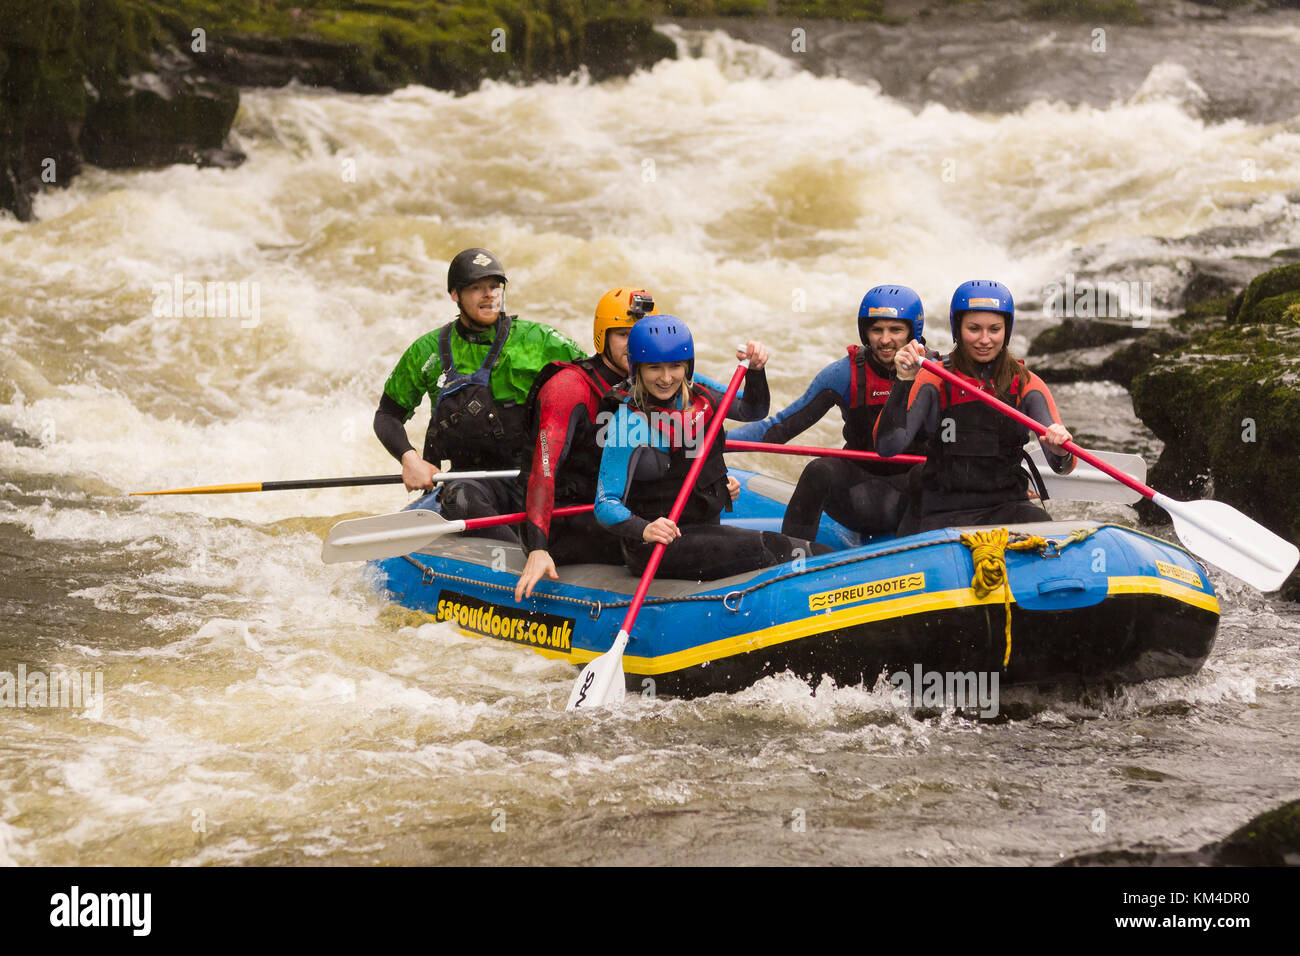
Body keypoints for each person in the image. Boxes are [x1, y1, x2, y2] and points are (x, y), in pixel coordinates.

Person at [372, 247, 585, 540]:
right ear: (455, 295)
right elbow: (387, 415)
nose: (489, 295)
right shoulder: (428, 350)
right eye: (476, 288)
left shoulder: (540, 340)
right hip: (470, 482)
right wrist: (409, 459)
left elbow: (595, 383)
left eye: (494, 287)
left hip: (535, 474)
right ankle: (522, 560)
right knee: (462, 500)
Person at [595, 316, 829, 580]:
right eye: (654, 367)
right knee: (783, 550)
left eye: (675, 366)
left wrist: (755, 372)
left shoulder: (699, 394)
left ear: (687, 366)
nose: (666, 377)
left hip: (701, 527)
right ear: (636, 368)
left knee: (787, 547)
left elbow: (753, 410)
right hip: (657, 547)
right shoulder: (627, 423)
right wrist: (645, 529)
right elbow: (605, 504)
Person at [729, 285, 934, 541]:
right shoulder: (844, 374)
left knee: (930, 473)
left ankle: (911, 558)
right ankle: (793, 557)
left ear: (913, 332)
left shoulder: (937, 374)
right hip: (858, 497)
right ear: (865, 332)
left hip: (915, 498)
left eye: (895, 330)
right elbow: (780, 428)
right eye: (876, 330)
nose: (884, 340)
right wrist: (715, 442)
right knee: (819, 470)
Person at [875, 280, 1076, 534]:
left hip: (1007, 506)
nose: (984, 340)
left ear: (1007, 330)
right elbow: (887, 447)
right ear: (957, 329)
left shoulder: (1025, 383)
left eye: (994, 329)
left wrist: (1059, 451)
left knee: (1042, 526)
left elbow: (1063, 468)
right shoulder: (934, 377)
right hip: (942, 510)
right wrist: (903, 383)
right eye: (974, 329)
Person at [512, 287, 654, 601]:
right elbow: (543, 470)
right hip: (563, 518)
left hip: (611, 506)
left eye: (641, 335)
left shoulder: (656, 381)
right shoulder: (569, 387)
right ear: (602, 336)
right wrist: (538, 548)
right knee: (651, 539)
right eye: (623, 335)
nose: (634, 346)